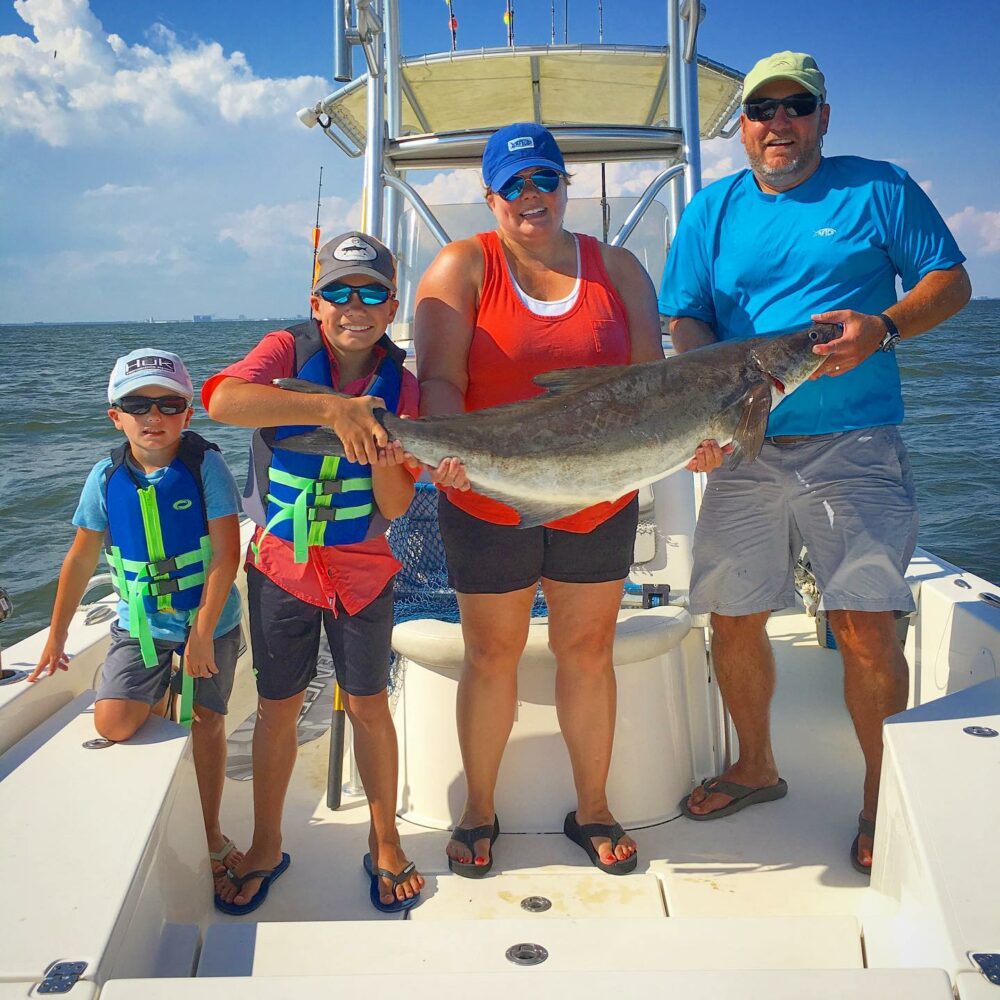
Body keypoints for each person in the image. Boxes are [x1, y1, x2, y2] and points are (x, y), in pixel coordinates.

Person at [658, 52, 971, 875]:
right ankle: (755, 766)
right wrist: (705, 407)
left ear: (823, 117)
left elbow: (951, 282)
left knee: (865, 624)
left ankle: (880, 798)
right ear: (742, 126)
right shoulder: (711, 209)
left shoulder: (879, 186)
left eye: (796, 106)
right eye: (762, 109)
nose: (779, 123)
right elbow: (686, 319)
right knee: (733, 617)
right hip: (743, 448)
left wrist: (885, 328)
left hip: (856, 445)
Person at [415, 123, 717, 876]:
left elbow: (654, 389)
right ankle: (478, 809)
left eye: (544, 179)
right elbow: (441, 379)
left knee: (587, 651)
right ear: (490, 196)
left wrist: (694, 440)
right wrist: (449, 452)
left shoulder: (618, 270)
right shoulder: (461, 266)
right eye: (512, 185)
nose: (531, 196)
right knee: (492, 655)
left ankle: (595, 808)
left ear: (564, 186)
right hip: (487, 497)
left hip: (598, 497)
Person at [205, 232, 426, 914]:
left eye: (371, 293)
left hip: (363, 568)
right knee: (278, 706)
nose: (353, 306)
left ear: (392, 308)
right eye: (338, 291)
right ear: (315, 302)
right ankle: (266, 842)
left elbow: (397, 505)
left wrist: (385, 457)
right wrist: (332, 408)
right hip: (283, 564)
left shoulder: (404, 385)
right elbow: (222, 401)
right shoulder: (284, 350)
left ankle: (385, 839)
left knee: (368, 704)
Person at [28, 348, 246, 890]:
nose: (154, 417)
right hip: (140, 625)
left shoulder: (205, 467)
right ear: (115, 416)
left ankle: (210, 831)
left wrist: (200, 636)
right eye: (137, 405)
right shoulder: (105, 476)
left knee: (207, 721)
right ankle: (160, 694)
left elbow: (226, 556)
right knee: (113, 723)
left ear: (187, 414)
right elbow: (81, 556)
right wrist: (56, 635)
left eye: (169, 405)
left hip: (209, 623)